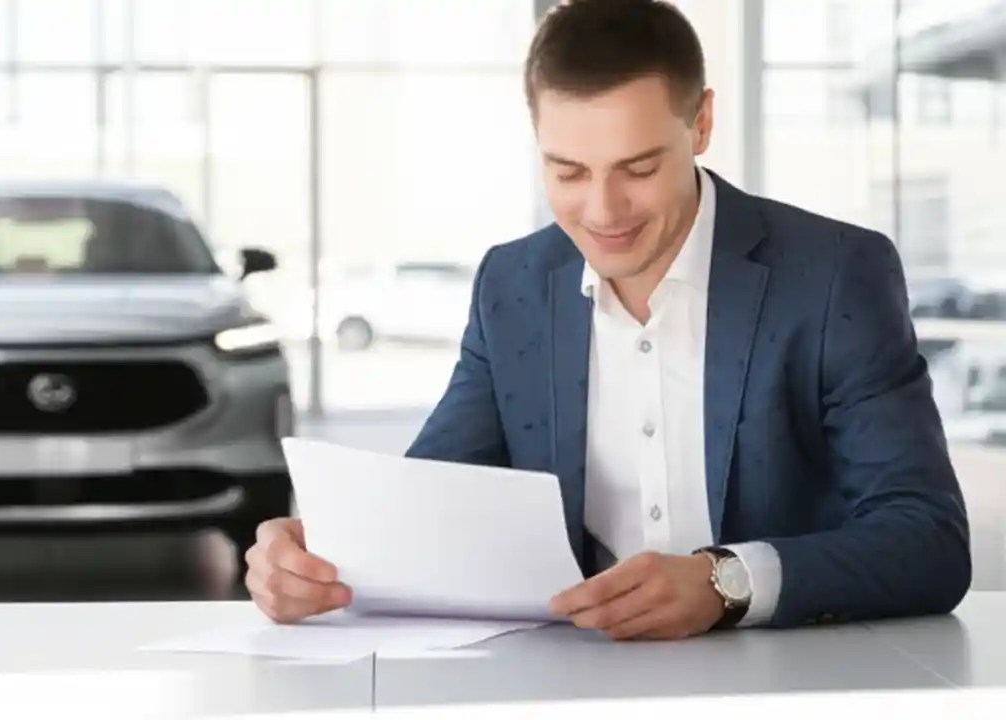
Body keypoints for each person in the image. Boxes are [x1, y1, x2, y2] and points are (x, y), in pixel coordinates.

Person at [244, 0, 971, 640]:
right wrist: (319, 556)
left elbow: (929, 539)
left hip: (791, 676)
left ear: (703, 123)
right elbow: (435, 504)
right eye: (567, 172)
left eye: (640, 168)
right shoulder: (515, 286)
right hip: (577, 679)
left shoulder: (835, 273)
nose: (603, 211)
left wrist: (726, 583)